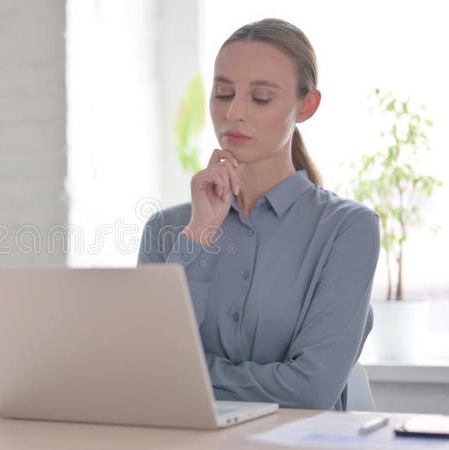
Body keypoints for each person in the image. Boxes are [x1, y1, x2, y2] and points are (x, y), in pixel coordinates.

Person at [138, 18, 380, 410]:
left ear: (307, 106)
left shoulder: (348, 230)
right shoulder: (166, 229)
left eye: (261, 97)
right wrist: (199, 233)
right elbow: (143, 372)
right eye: (222, 93)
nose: (234, 113)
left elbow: (311, 390)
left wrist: (189, 376)